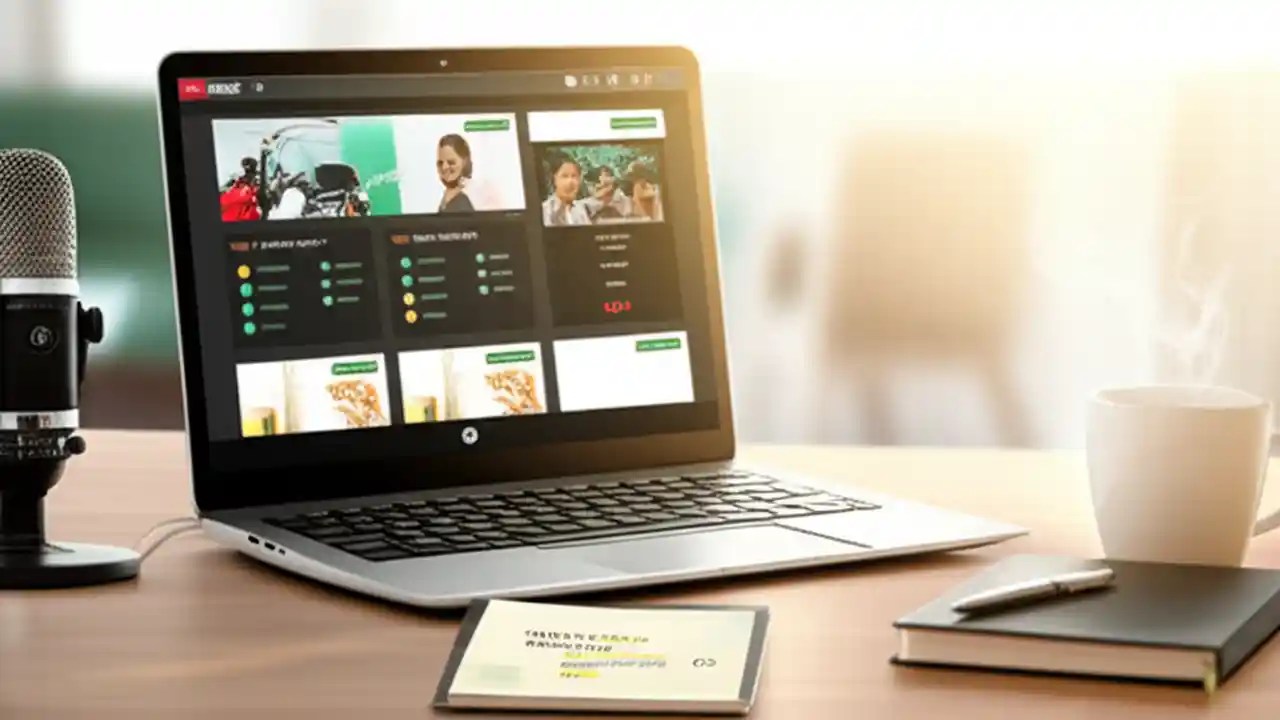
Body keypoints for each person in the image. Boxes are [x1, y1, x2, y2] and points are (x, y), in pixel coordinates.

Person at [541, 154, 591, 225]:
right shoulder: (545, 210)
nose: (570, 182)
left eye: (574, 176)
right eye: (564, 176)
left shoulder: (580, 208)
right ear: (554, 179)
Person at [436, 134, 475, 212]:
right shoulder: (446, 199)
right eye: (440, 163)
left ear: (464, 162)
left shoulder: (463, 204)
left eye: (451, 162)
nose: (444, 167)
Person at [219, 156, 261, 221]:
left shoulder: (256, 180)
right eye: (245, 167)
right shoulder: (239, 179)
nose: (246, 170)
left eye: (248, 167)